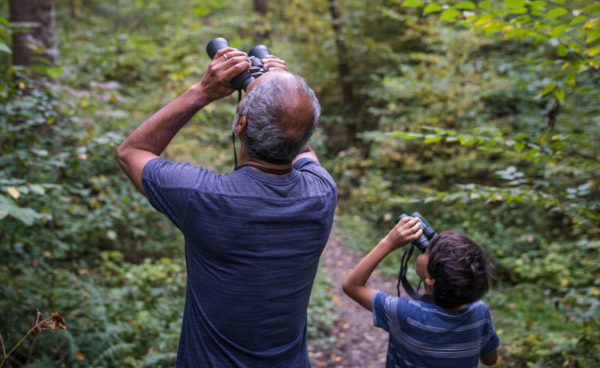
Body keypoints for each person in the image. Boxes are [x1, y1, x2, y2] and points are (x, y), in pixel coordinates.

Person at [117, 46, 337, 367]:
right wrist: (284, 90)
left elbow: (131, 151)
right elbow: (294, 133)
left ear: (240, 124)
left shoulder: (205, 199)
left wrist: (202, 91)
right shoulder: (321, 193)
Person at [342, 216, 499, 367]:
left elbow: (352, 286)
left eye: (427, 251)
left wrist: (388, 243)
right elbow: (490, 359)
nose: (425, 248)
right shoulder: (478, 311)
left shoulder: (405, 313)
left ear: (430, 279)